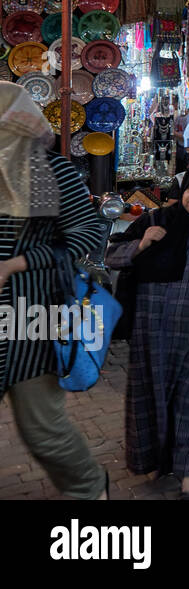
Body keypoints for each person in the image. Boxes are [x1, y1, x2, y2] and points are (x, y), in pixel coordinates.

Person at [105, 161, 189, 500]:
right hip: (150, 329)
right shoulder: (153, 221)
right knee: (149, 398)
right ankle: (153, 460)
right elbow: (109, 256)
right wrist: (142, 245)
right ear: (182, 190)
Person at [0, 82, 108, 500]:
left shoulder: (46, 170)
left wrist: (19, 262)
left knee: (41, 429)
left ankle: (90, 488)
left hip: (32, 318)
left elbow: (89, 232)